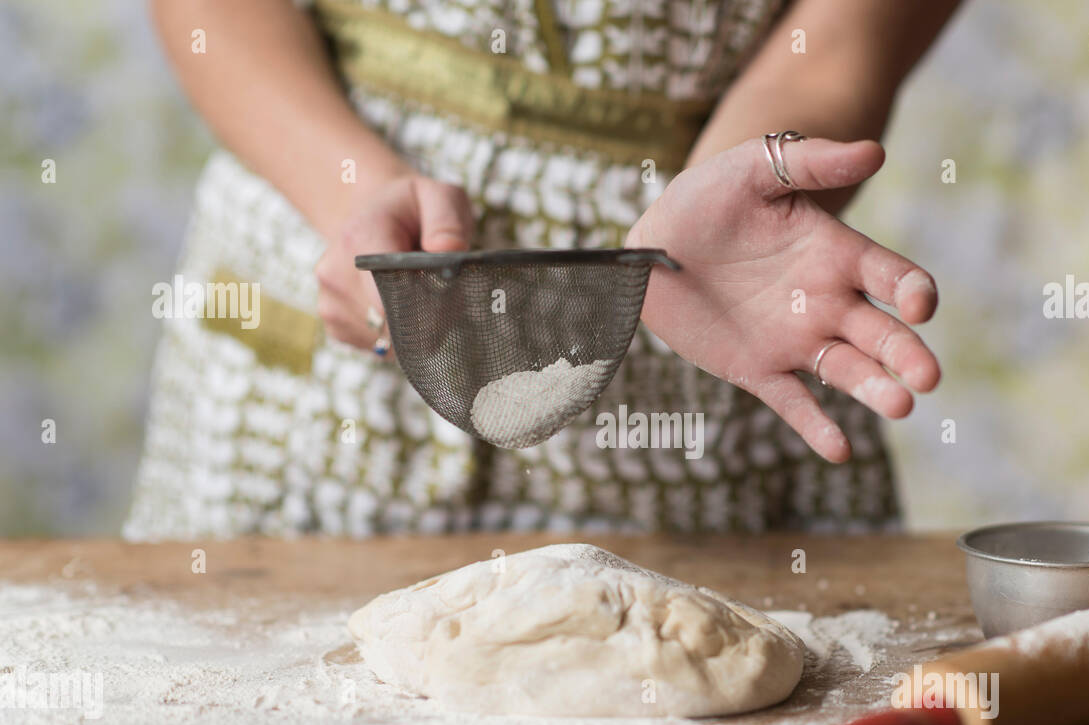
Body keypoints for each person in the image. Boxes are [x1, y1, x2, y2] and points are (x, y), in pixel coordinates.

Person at [124, 0, 960, 540]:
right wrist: (350, 188)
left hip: (700, 304)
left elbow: (846, 33)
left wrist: (748, 176)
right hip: (334, 257)